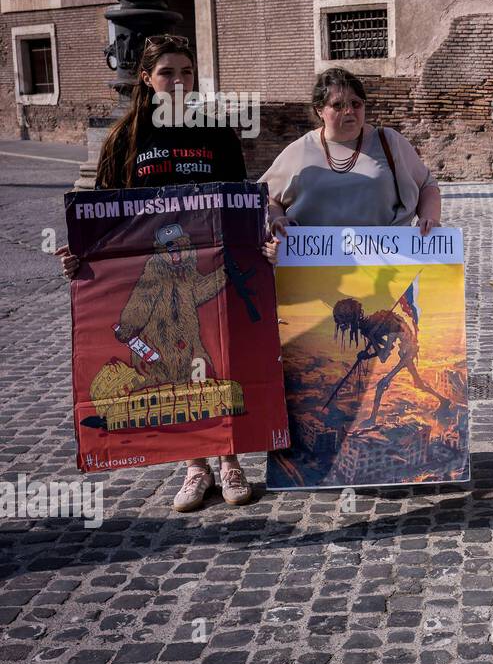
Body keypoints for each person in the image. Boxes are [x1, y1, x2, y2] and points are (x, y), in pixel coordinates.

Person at [55, 34, 256, 512]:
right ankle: (194, 468)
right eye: (168, 73)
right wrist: (81, 256)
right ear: (146, 79)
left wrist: (252, 248)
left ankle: (230, 462)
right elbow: (103, 212)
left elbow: (239, 196)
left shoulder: (216, 131)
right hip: (153, 274)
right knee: (175, 375)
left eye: (187, 72)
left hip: (205, 261)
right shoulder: (127, 137)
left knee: (215, 363)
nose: (179, 82)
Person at [259, 67, 441, 235]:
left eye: (356, 104)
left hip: (387, 259)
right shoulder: (299, 150)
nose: (349, 111)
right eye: (338, 105)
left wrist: (430, 218)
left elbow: (427, 186)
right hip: (314, 264)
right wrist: (276, 218)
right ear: (319, 110)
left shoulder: (389, 142)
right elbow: (266, 196)